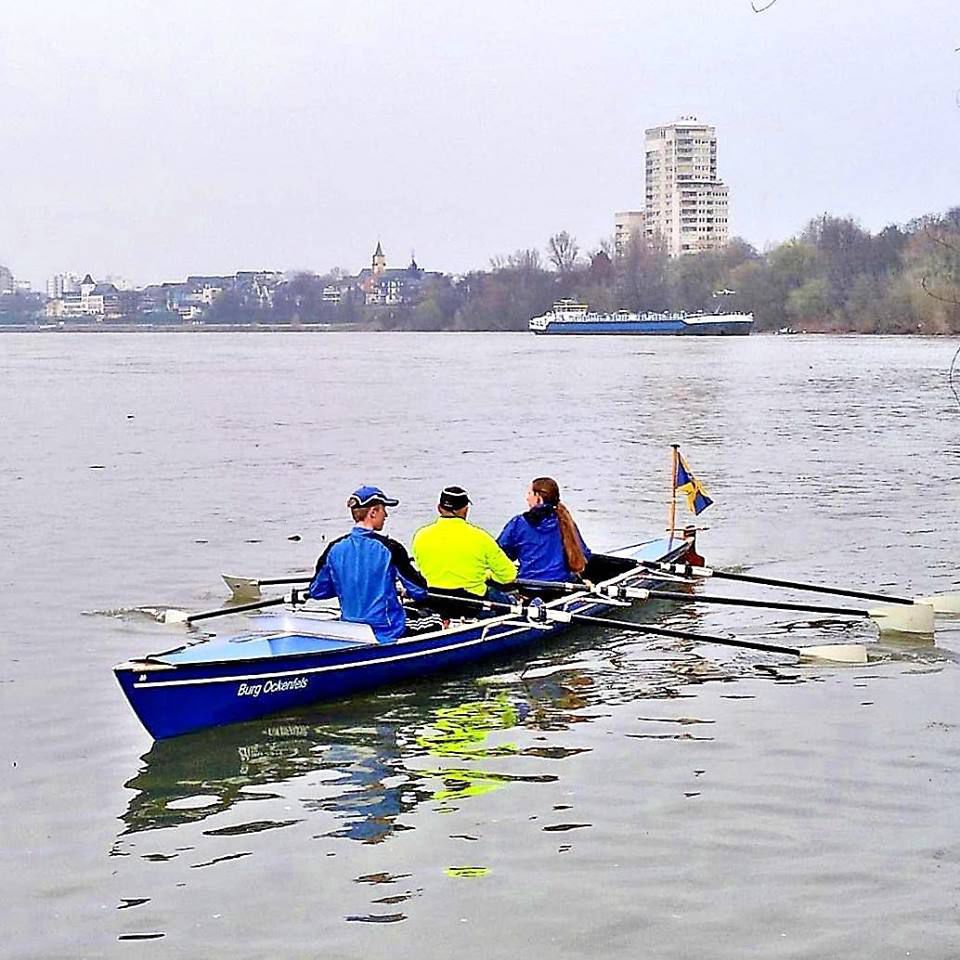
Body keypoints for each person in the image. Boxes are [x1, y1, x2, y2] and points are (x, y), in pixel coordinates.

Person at [306, 485, 438, 642]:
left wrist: (350, 586)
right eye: (383, 509)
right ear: (373, 512)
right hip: (388, 631)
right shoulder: (391, 548)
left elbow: (317, 591)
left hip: (351, 631)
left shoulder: (333, 549)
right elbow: (419, 591)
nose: (386, 515)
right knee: (437, 620)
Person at [411, 485, 517, 610]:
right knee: (509, 601)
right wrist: (487, 575)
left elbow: (422, 569)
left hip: (436, 601)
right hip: (472, 605)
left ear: (439, 508)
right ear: (465, 510)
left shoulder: (420, 536)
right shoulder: (480, 537)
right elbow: (509, 576)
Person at [497, 477, 591, 583]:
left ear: (538, 497)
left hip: (528, 586)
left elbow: (500, 554)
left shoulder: (518, 523)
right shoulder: (566, 521)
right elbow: (584, 553)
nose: (527, 498)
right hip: (562, 585)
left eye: (529, 493)